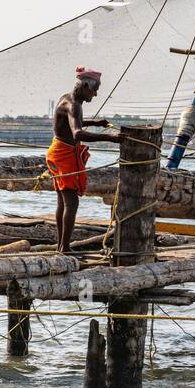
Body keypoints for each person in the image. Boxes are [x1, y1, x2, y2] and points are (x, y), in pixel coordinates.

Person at [46, 67, 120, 253]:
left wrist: (95, 124)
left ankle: (61, 246)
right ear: (85, 85)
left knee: (63, 202)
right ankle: (65, 248)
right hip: (64, 155)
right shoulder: (74, 105)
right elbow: (77, 132)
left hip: (59, 151)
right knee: (71, 203)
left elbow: (72, 122)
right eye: (94, 90)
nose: (95, 95)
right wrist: (109, 137)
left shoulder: (68, 99)